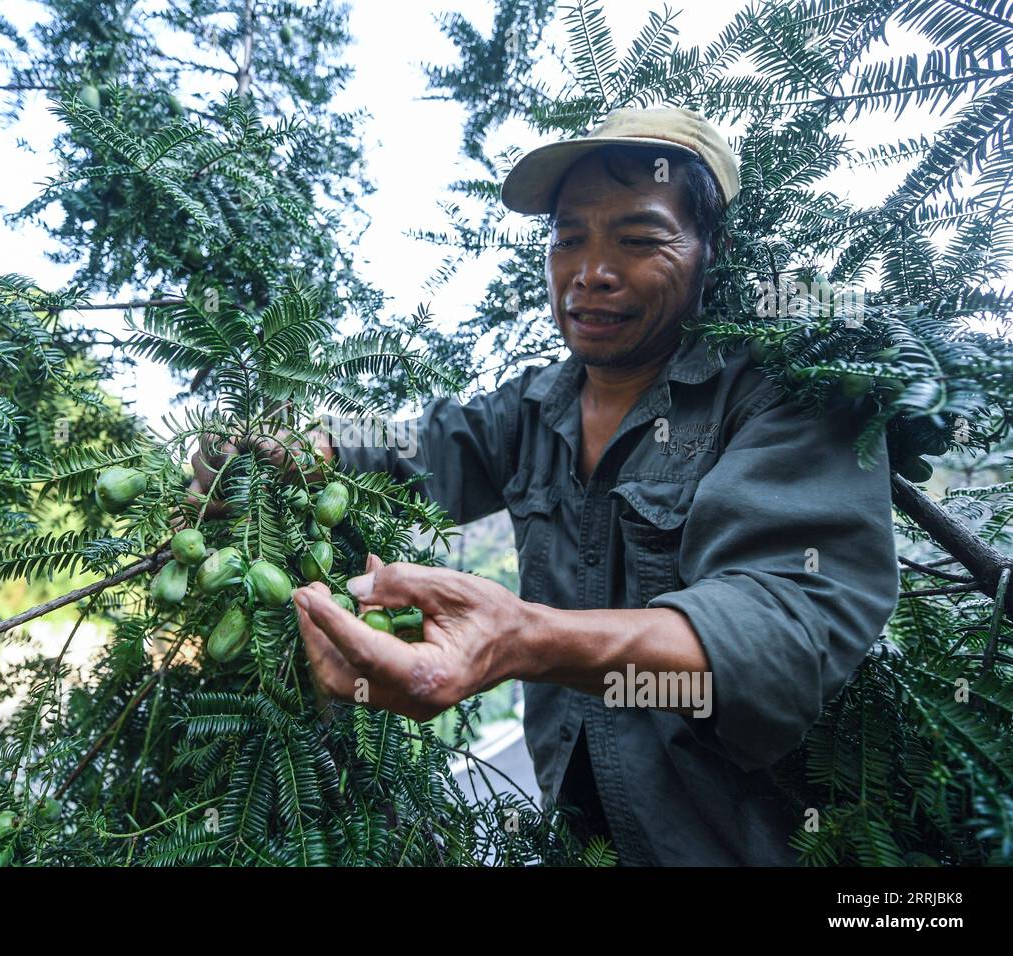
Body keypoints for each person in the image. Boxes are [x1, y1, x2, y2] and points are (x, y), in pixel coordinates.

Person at [192, 107, 900, 866]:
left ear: (711, 251)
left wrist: (524, 640)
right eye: (568, 238)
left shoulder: (791, 399)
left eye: (638, 238)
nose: (590, 271)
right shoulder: (535, 409)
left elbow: (783, 626)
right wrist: (305, 447)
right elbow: (417, 448)